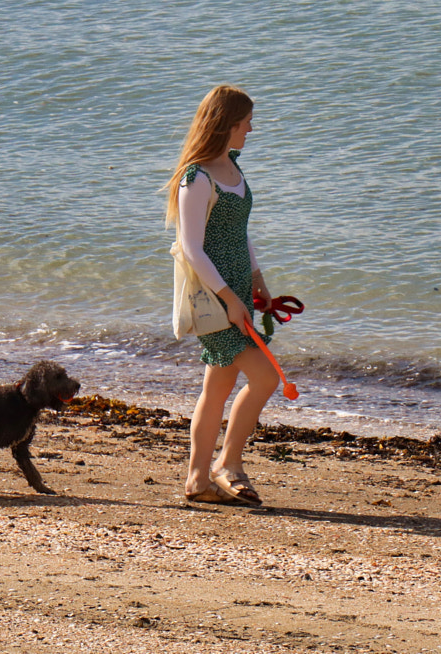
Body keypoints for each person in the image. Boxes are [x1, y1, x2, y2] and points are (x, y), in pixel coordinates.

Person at [164, 85, 279, 506]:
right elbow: (193, 249)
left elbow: (239, 233)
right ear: (228, 124)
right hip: (214, 297)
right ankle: (228, 465)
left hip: (237, 292)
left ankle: (198, 479)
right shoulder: (196, 178)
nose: (251, 128)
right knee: (265, 377)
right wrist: (230, 297)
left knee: (217, 388)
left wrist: (257, 279)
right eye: (246, 121)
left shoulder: (232, 168)